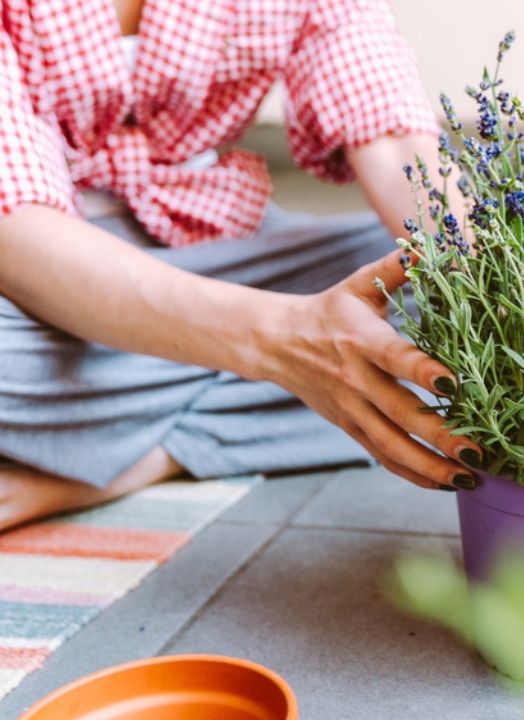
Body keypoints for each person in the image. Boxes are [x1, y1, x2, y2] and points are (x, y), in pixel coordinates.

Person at [0, 0, 482, 532]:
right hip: (37, 265)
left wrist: (484, 297)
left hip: (214, 241)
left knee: (413, 287)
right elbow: (16, 228)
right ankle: (256, 401)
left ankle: (133, 460)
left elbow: (392, 137)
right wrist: (285, 339)